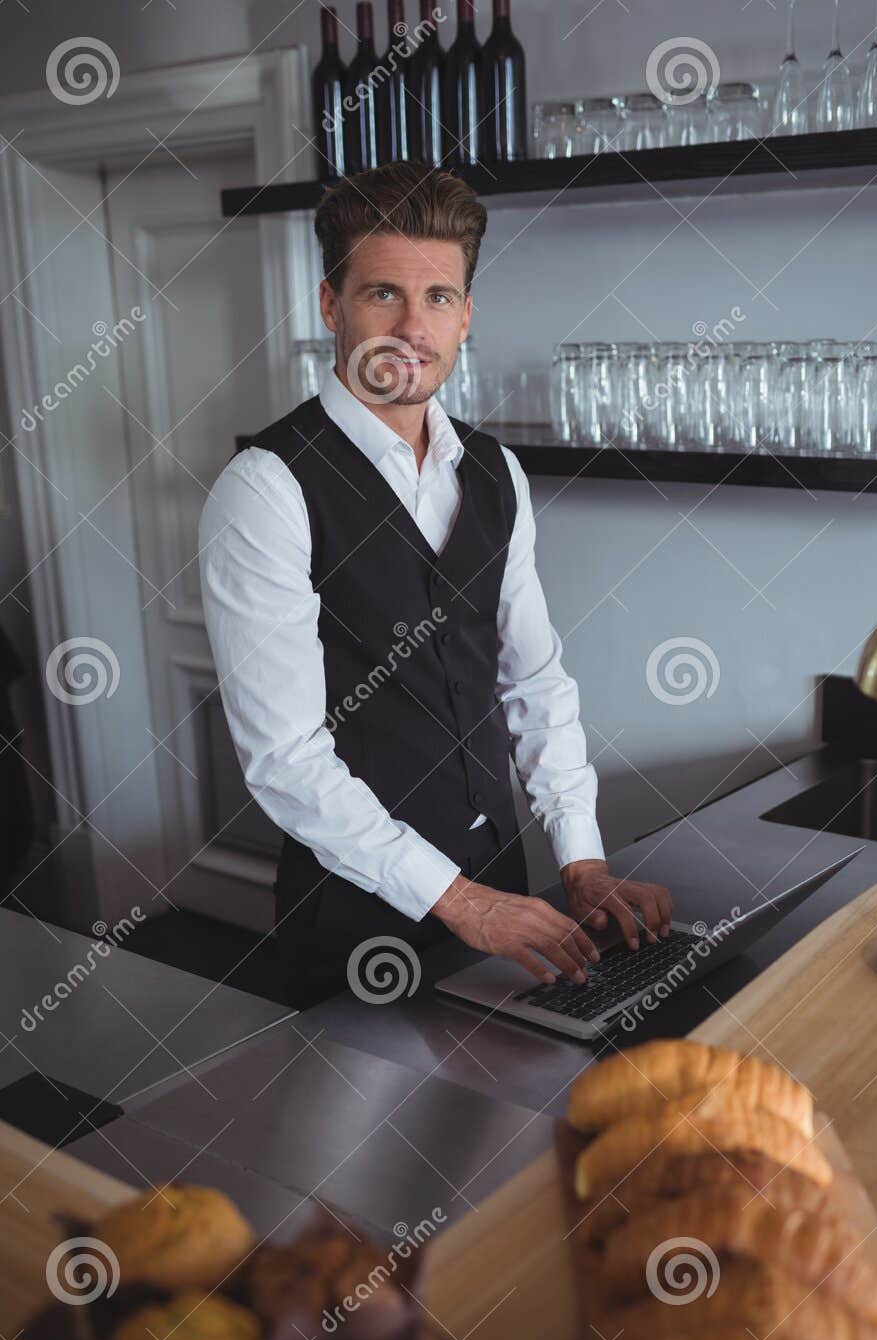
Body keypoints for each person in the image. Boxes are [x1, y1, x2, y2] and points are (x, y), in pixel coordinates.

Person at [199, 161, 671, 1010]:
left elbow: (532, 681)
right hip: (356, 912)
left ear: (466, 316)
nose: (412, 328)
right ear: (331, 305)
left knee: (514, 1122)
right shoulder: (267, 487)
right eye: (383, 294)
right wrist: (458, 901)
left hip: (507, 883)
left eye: (440, 298)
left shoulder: (495, 471)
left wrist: (581, 860)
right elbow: (284, 758)